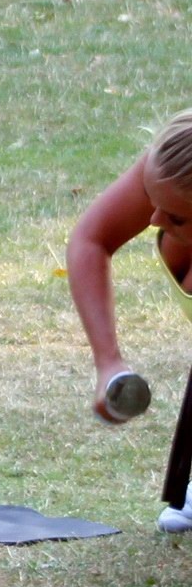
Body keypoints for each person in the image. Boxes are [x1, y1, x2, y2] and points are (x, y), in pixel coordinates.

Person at [67, 107, 192, 531]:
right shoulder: (177, 162)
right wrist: (109, 363)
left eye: (175, 216)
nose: (153, 219)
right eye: (152, 199)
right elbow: (92, 239)